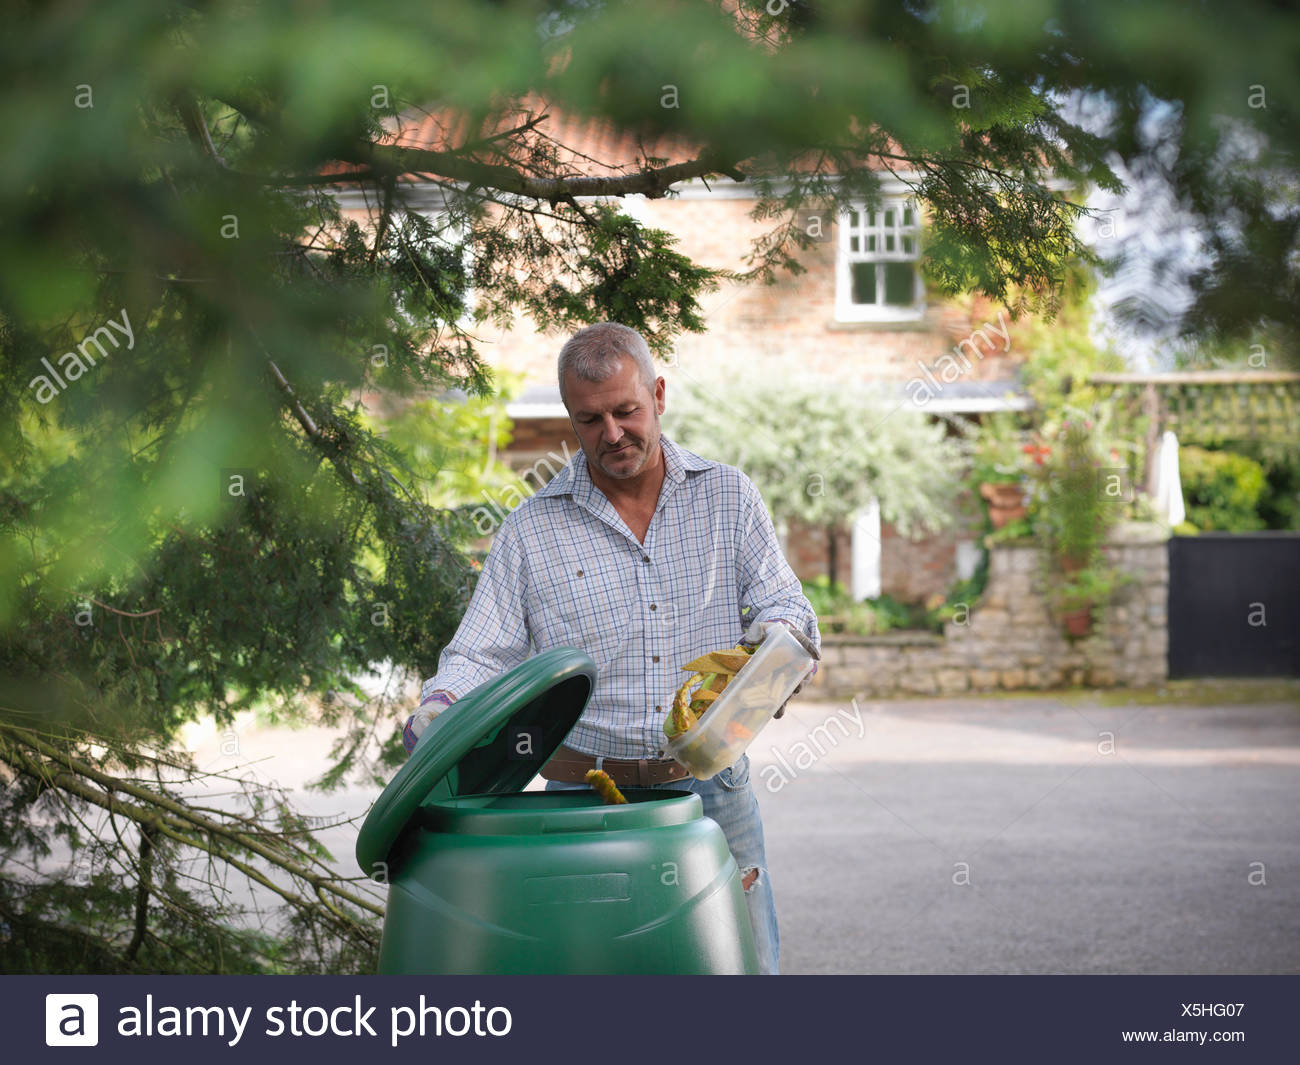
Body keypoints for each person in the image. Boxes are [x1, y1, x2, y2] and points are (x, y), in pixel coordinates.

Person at [404, 321, 820, 974]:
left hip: (711, 789)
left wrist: (772, 658)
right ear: (572, 420)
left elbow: (787, 607)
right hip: (580, 801)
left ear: (658, 394)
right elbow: (479, 653)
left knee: (745, 972)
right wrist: (439, 706)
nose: (613, 433)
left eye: (626, 410)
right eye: (590, 419)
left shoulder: (728, 497)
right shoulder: (531, 531)